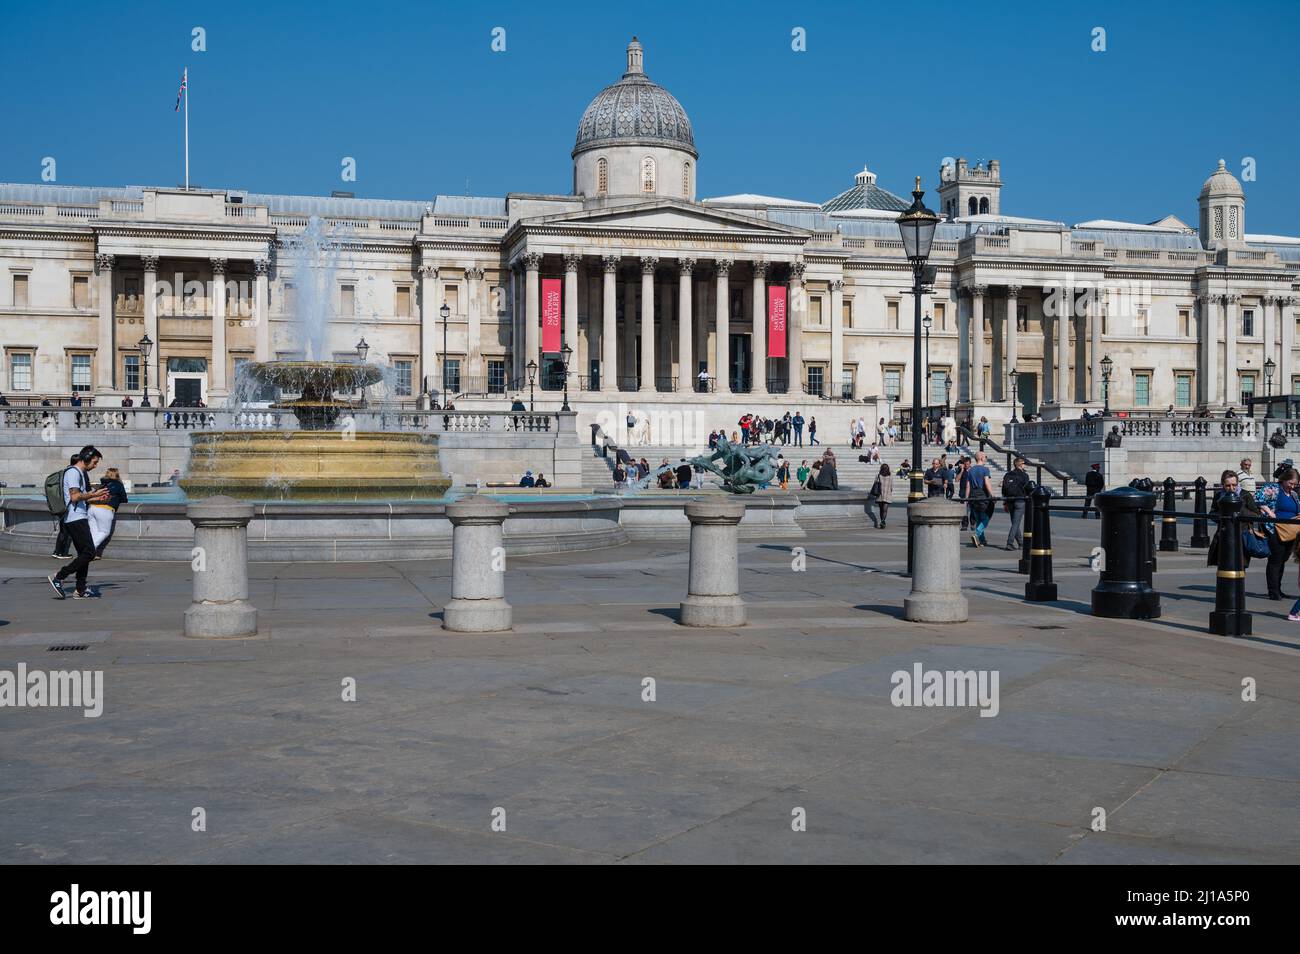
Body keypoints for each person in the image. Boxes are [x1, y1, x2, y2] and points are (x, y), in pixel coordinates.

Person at [48, 445, 109, 599]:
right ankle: (59, 576)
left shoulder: (78, 473)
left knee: (84, 553)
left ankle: (80, 589)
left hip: (78, 516)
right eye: (94, 462)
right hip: (75, 518)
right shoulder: (73, 473)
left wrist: (96, 498)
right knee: (89, 552)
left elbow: (77, 498)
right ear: (86, 458)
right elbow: (75, 497)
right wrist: (92, 494)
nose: (95, 466)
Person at [1255, 467, 1300, 600]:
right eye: (1290, 483)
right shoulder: (1273, 488)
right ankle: (1273, 590)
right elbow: (1257, 498)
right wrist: (1269, 512)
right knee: (1276, 559)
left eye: (1295, 484)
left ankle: (1278, 588)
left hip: (1291, 531)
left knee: (1283, 560)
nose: (1292, 486)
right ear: (1284, 479)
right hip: (1275, 529)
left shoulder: (1293, 494)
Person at [89, 466, 128, 556]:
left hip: (92, 508)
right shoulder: (118, 484)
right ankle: (89, 552)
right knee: (104, 532)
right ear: (117, 475)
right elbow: (124, 499)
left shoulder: (102, 484)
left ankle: (93, 553)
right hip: (105, 509)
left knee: (94, 533)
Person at [51, 453, 81, 559]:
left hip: (61, 505)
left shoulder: (64, 472)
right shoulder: (74, 473)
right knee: (67, 531)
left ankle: (57, 551)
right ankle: (63, 552)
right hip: (69, 506)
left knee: (63, 530)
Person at [966, 452, 996, 547]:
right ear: (982, 458)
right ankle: (977, 534)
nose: (986, 458)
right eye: (985, 457)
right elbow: (987, 483)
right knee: (986, 517)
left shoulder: (970, 470)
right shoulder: (985, 469)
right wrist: (992, 495)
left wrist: (967, 499)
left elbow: (968, 486)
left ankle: (981, 540)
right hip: (982, 495)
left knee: (978, 517)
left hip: (973, 495)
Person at [1001, 457, 1031, 550]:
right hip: (1020, 501)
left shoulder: (1008, 474)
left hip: (1010, 501)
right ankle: (1009, 543)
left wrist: (1005, 502)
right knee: (1016, 523)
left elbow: (1004, 489)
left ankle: (1021, 543)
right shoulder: (1024, 475)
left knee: (1015, 522)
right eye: (1024, 463)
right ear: (1020, 465)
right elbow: (1028, 489)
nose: (1025, 465)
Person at [870, 463, 894, 528]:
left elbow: (875, 483)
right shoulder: (890, 476)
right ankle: (883, 521)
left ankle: (882, 521)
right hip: (887, 494)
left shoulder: (878, 475)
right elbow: (891, 487)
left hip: (880, 495)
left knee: (881, 509)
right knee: (885, 509)